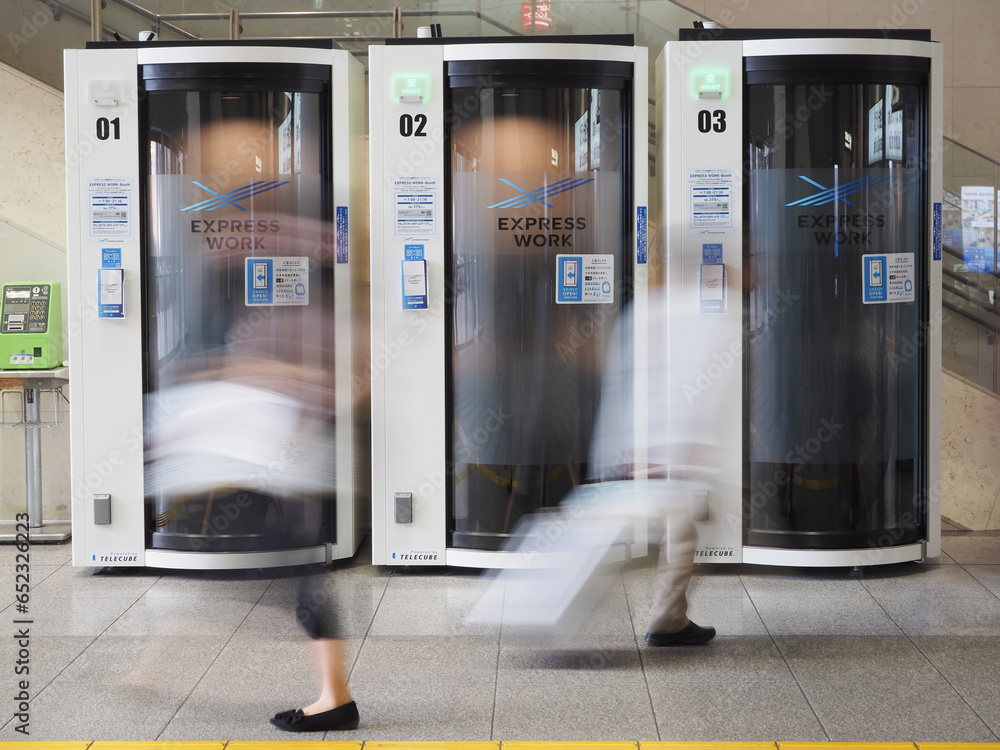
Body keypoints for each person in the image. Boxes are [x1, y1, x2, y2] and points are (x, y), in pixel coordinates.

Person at [589, 283, 733, 647]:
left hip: (645, 446)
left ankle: (669, 618)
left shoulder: (644, 311)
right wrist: (695, 450)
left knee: (682, 530)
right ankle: (667, 620)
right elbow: (700, 385)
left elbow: (622, 381)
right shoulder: (699, 315)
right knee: (685, 529)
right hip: (669, 449)